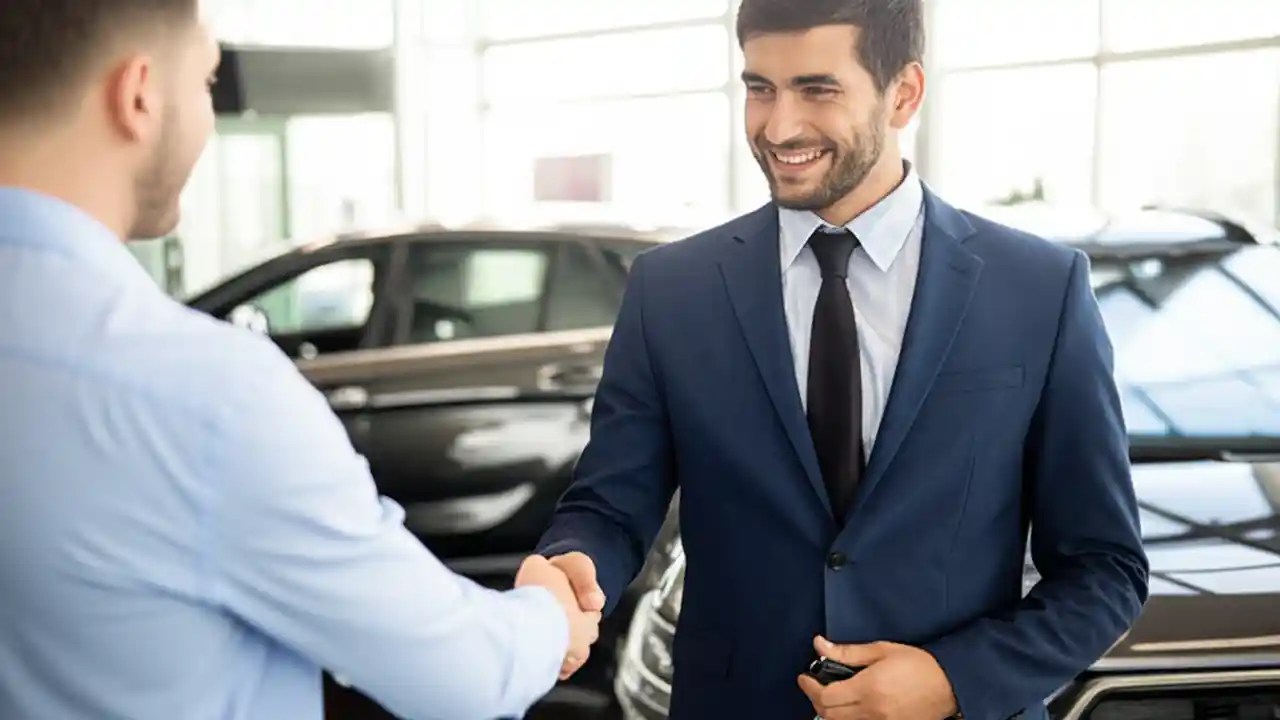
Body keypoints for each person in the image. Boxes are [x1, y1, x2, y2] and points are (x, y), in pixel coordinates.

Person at [534, 0, 1149, 718]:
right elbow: (610, 504)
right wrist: (571, 566)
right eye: (760, 88)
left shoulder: (1039, 290)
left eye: (817, 90)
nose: (778, 126)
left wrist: (953, 680)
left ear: (904, 93)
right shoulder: (672, 290)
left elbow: (1105, 570)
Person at [0, 2, 597, 719]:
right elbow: (461, 675)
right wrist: (550, 616)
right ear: (139, 96)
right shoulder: (205, 396)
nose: (207, 119)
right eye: (207, 84)